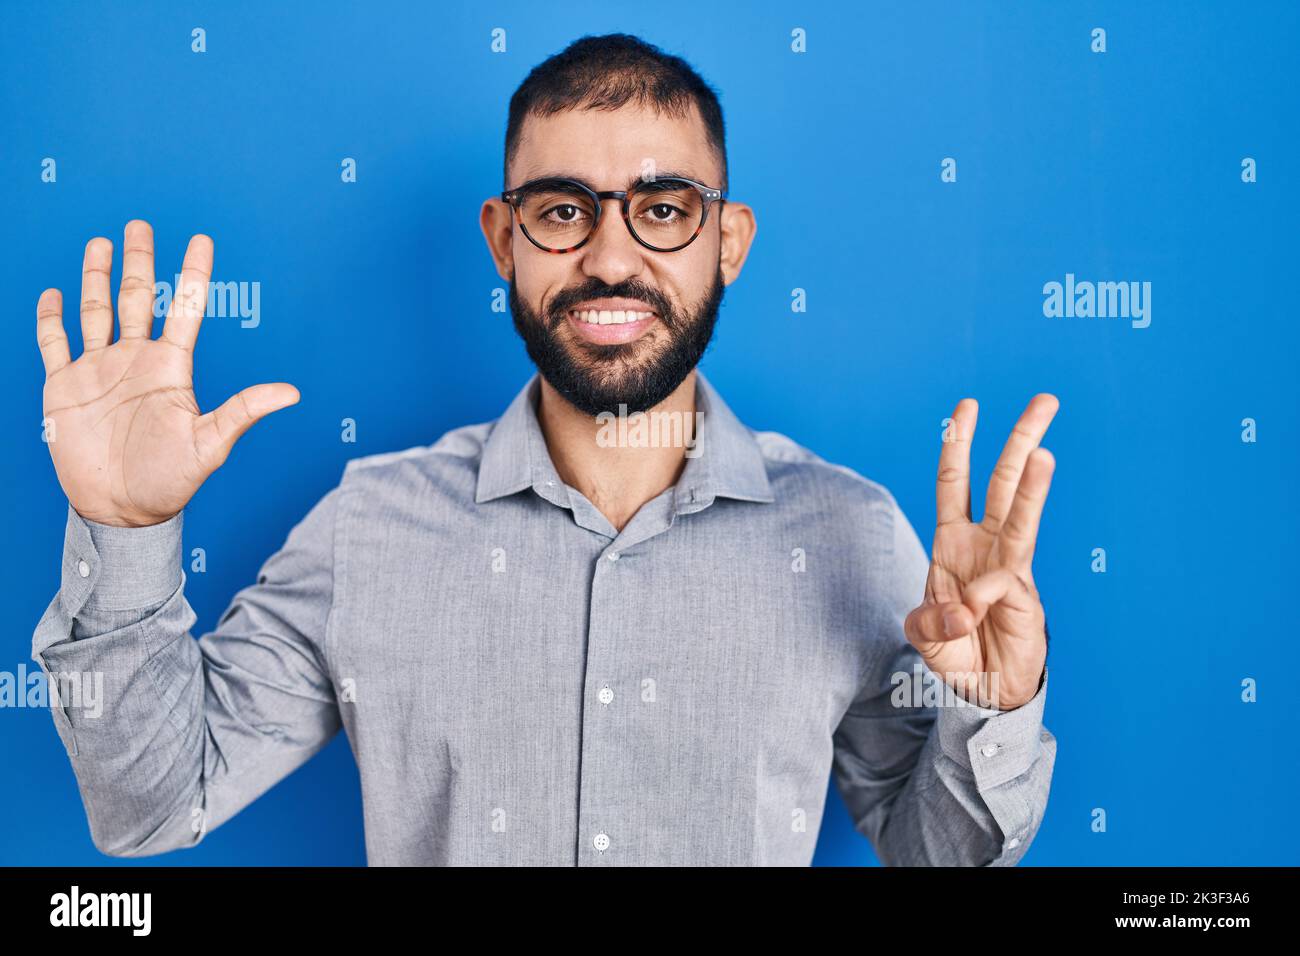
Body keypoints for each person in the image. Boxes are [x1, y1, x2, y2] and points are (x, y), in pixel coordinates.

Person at [32, 33, 1058, 866]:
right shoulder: (370, 524)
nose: (610, 258)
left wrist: (989, 707)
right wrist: (126, 534)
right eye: (562, 211)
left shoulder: (844, 531)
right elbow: (152, 806)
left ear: (728, 242)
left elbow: (940, 856)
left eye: (663, 210)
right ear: (502, 239)